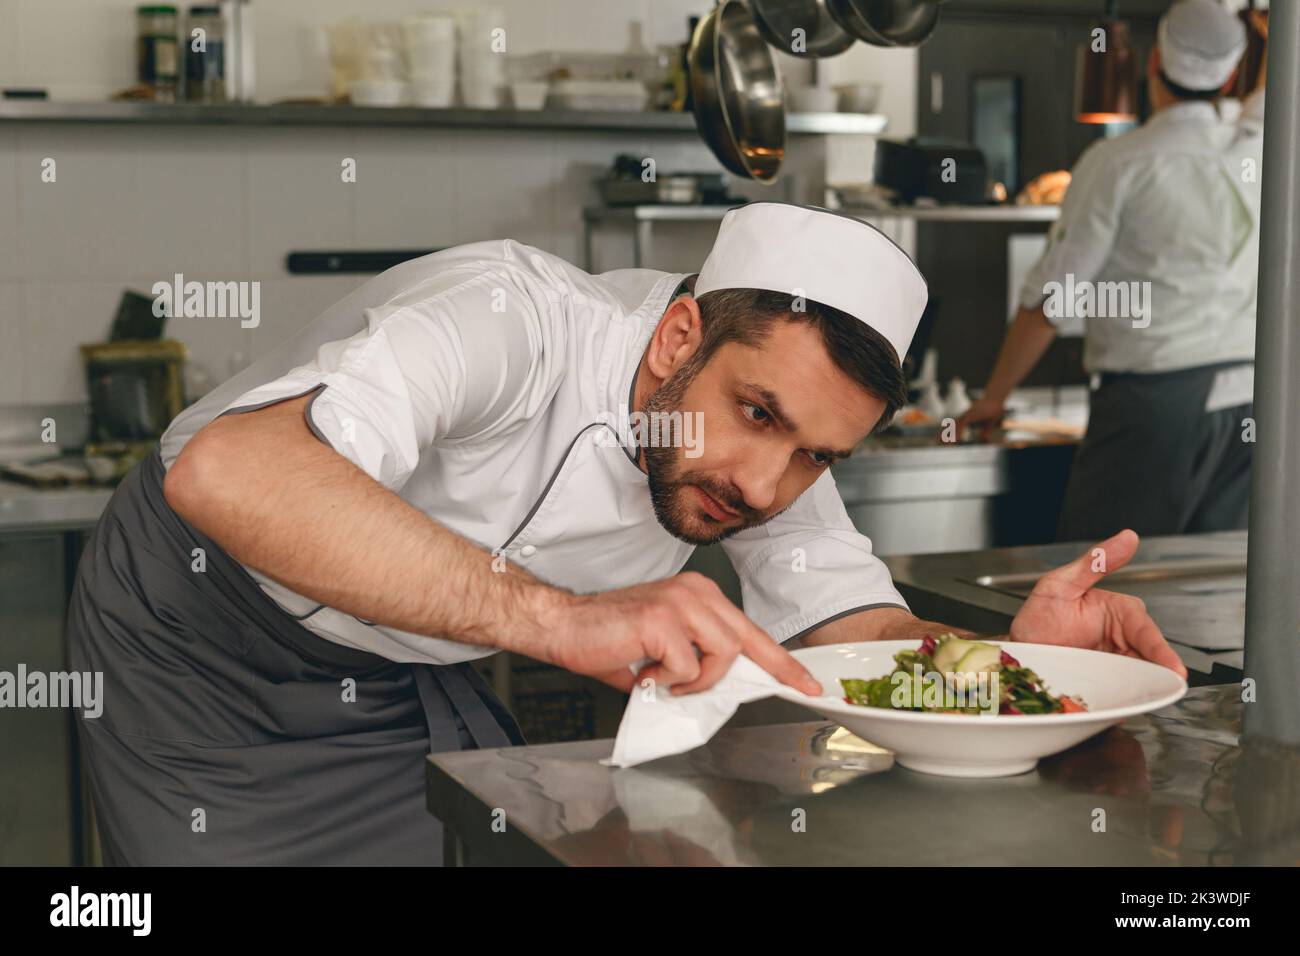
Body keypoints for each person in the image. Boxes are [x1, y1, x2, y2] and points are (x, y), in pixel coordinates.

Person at [68, 201, 1184, 865]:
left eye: (815, 454)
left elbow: (853, 630)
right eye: (755, 415)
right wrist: (559, 618)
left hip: (398, 673)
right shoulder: (509, 321)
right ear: (678, 335)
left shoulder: (771, 458)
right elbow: (230, 471)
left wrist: (1013, 671)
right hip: (203, 640)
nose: (764, 483)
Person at [959, 0, 1263, 542]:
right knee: (1215, 576)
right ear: (1233, 75)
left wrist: (994, 396)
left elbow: (1055, 297)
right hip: (1252, 400)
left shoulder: (1119, 163)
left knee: (1099, 574)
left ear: (1151, 64)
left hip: (1154, 405)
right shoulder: (1257, 151)